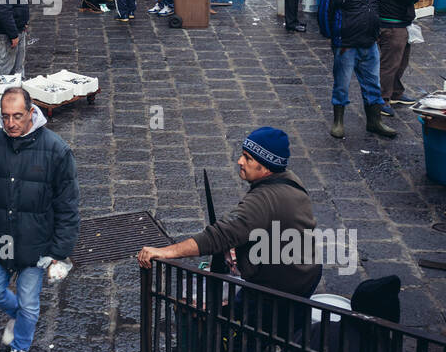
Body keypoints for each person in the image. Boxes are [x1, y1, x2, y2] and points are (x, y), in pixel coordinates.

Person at [0, 86, 80, 352]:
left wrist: (60, 248)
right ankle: (21, 319)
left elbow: (67, 205)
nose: (11, 123)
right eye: (5, 117)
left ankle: (20, 348)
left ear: (31, 112)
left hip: (36, 245)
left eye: (18, 116)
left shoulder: (56, 150)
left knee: (30, 304)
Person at [137, 127, 322, 301]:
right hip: (307, 273)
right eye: (243, 155)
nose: (240, 161)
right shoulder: (290, 180)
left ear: (266, 167)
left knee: (242, 322)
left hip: (282, 289)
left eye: (248, 158)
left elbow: (219, 235)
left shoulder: (263, 200)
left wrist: (166, 252)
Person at [318, 0, 396, 140]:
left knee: (373, 84)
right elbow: (324, 13)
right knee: (342, 85)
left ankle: (374, 121)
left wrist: (376, 30)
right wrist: (335, 38)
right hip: (346, 46)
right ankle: (338, 122)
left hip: (369, 43)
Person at [374, 0, 423, 114]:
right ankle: (381, 99)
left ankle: (395, 92)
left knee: (402, 61)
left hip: (404, 23)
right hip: (391, 26)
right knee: (390, 63)